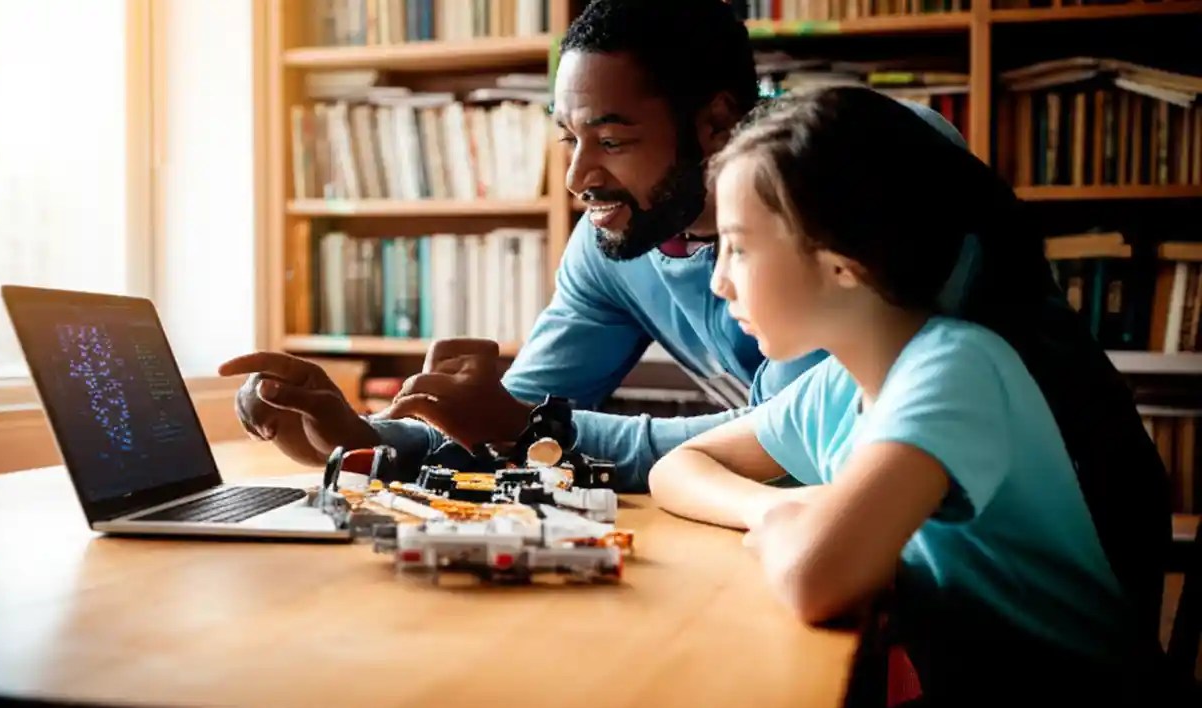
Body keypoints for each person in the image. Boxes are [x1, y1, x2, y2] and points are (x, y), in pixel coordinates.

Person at [218, 0, 969, 491]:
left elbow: (798, 437)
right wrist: (364, 437)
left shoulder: (850, 174)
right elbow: (515, 420)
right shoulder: (611, 242)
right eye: (568, 138)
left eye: (611, 139)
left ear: (715, 123)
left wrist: (526, 429)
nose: (579, 176)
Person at [647, 85, 1174, 708]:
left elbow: (817, 580)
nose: (718, 279)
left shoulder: (955, 368)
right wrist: (775, 510)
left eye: (739, 246)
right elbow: (674, 468)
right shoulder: (837, 385)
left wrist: (799, 522)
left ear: (842, 263)